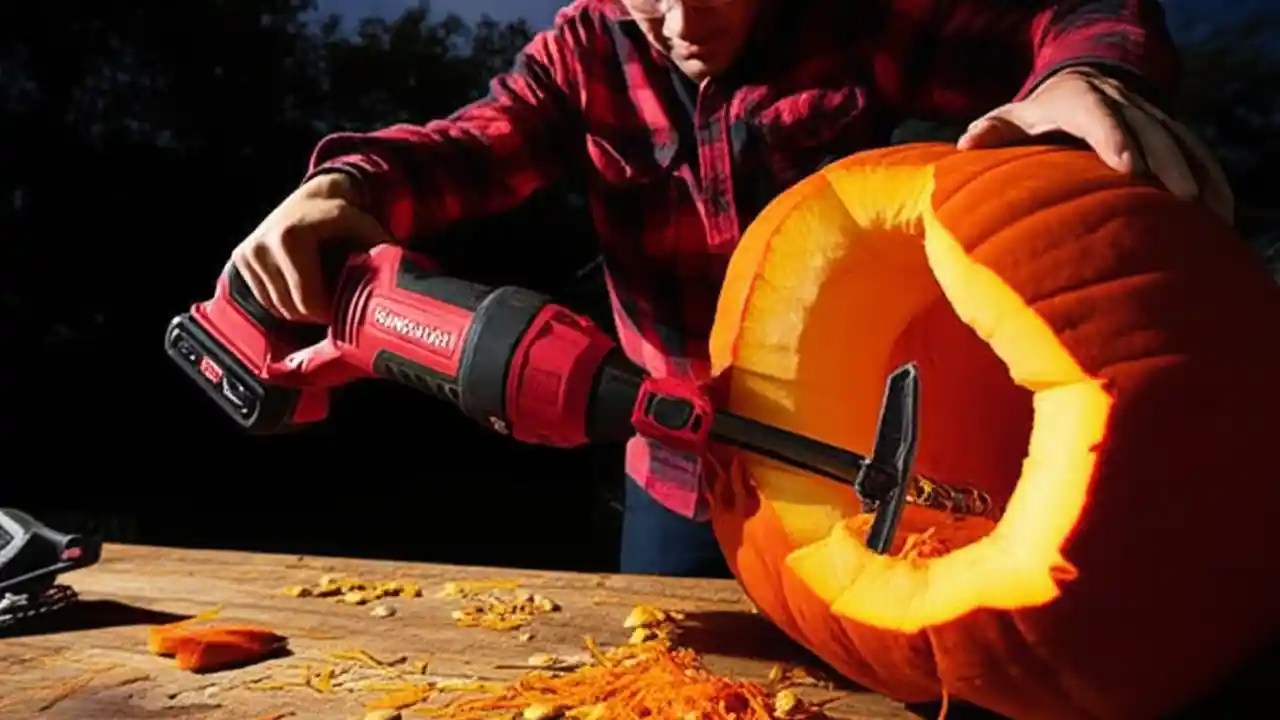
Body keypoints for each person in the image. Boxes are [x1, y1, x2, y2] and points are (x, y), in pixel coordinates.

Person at [228, 0, 1232, 579]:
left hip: (854, 473)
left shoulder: (860, 20)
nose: (682, 16)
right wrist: (345, 183)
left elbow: (1068, 11)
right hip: (672, 478)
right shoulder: (584, 51)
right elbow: (469, 143)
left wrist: (1091, 70)